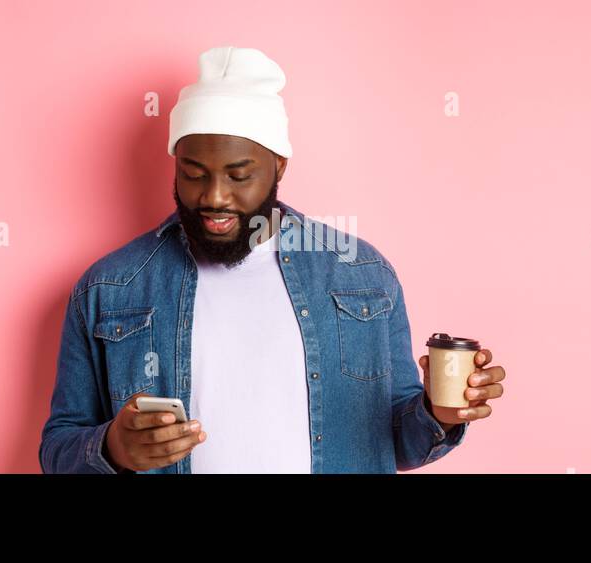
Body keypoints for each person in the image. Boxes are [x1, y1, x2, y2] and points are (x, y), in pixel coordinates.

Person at [39, 46, 506, 474]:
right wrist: (111, 449)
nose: (214, 196)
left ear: (279, 165)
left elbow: (394, 444)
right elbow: (58, 448)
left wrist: (439, 413)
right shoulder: (110, 287)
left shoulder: (361, 274)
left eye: (239, 175)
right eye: (193, 173)